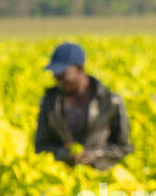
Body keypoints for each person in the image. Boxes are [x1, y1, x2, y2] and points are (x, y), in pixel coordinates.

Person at [33, 42, 133, 171]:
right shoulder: (50, 102)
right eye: (56, 76)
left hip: (102, 178)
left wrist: (96, 156)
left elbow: (124, 148)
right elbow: (41, 146)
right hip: (60, 178)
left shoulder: (110, 102)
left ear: (80, 69)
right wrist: (61, 153)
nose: (59, 81)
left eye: (64, 76)